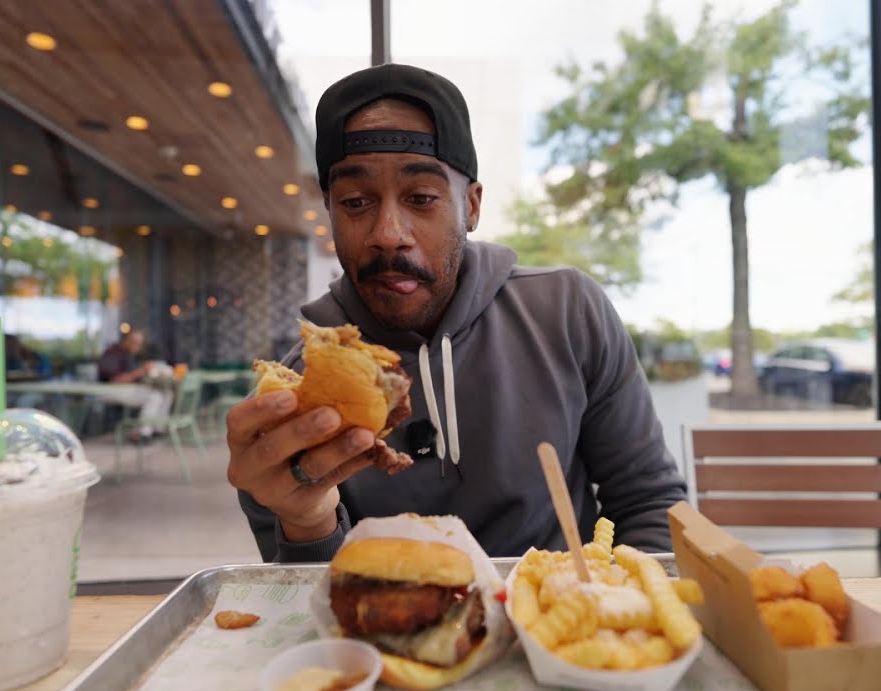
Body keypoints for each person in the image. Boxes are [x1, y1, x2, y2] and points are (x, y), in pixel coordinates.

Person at [227, 63, 686, 563]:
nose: (388, 232)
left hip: (561, 620)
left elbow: (648, 503)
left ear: (470, 205)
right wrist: (306, 521)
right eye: (356, 202)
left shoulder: (568, 313)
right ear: (331, 214)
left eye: (421, 198)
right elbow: (306, 602)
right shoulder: (296, 394)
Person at [99, 328, 173, 439]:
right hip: (107, 390)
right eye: (134, 342)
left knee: (166, 392)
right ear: (125, 340)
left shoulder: (131, 355)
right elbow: (115, 381)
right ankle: (142, 434)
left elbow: (136, 375)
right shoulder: (113, 353)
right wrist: (141, 371)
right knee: (154, 396)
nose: (138, 346)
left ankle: (158, 429)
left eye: (140, 344)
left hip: (128, 388)